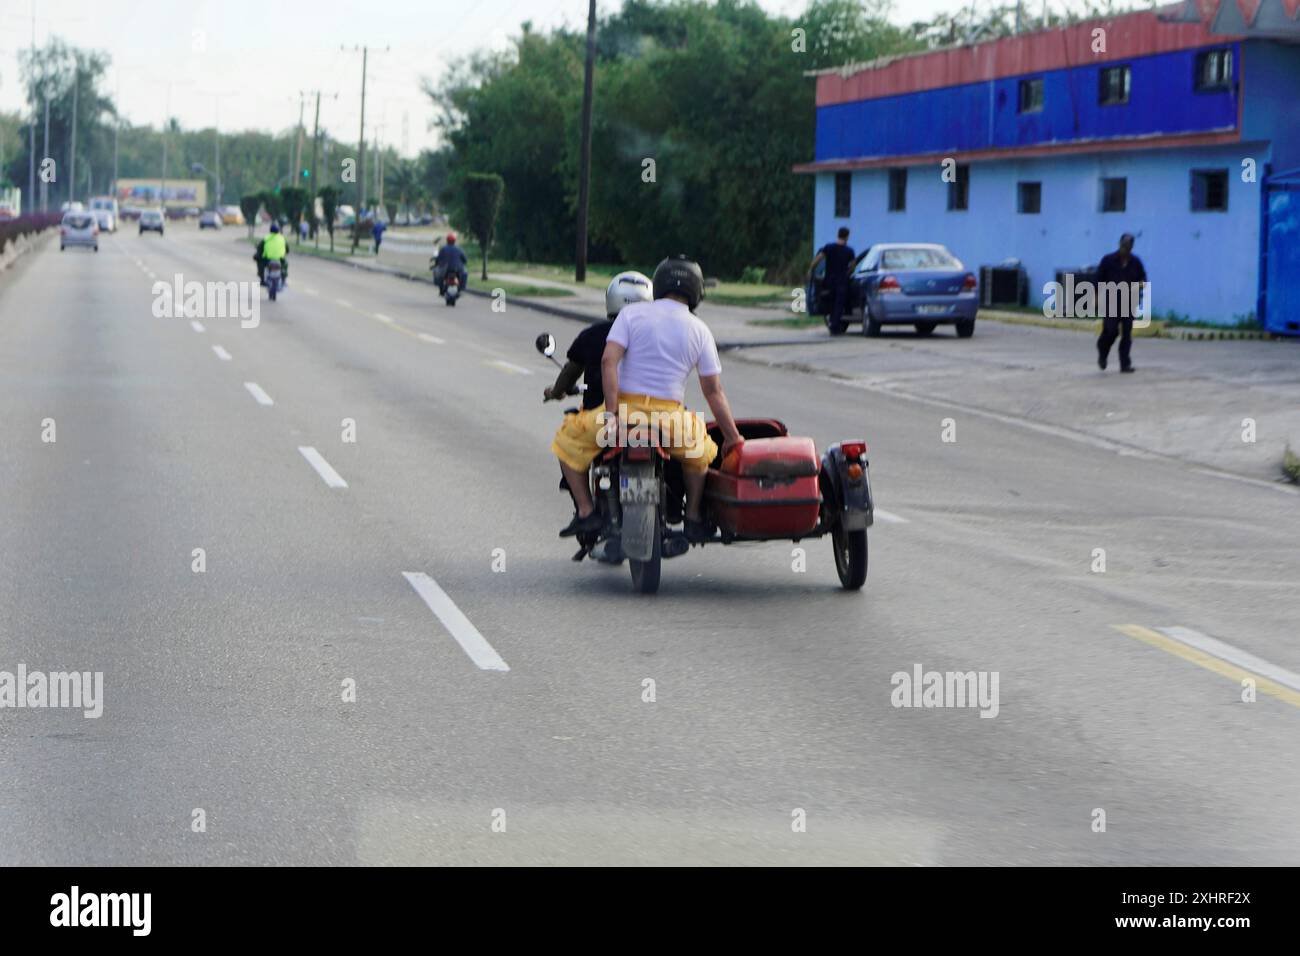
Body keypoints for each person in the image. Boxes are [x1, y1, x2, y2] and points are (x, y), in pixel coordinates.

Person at [551, 256, 743, 544]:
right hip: (670, 420)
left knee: (566, 442)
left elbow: (608, 362)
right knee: (699, 454)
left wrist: (613, 415)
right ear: (697, 291)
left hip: (626, 414)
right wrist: (732, 437)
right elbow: (713, 391)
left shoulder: (631, 316)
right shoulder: (699, 330)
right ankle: (692, 517)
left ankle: (587, 511)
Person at [1095, 233, 1147, 373]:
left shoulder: (1136, 262)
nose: (1126, 249)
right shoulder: (1108, 260)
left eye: (1129, 246)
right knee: (1111, 331)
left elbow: (1143, 279)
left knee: (1126, 334)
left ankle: (1125, 364)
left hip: (1129, 303)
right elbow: (1099, 280)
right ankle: (1102, 351)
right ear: (1119, 244)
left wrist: (1140, 285)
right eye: (1124, 245)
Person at [808, 226, 860, 330]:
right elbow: (853, 266)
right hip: (842, 281)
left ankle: (831, 322)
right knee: (839, 304)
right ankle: (834, 325)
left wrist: (811, 269)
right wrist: (848, 273)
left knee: (830, 302)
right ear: (847, 237)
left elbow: (818, 258)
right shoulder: (849, 251)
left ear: (838, 235)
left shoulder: (828, 247)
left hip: (829, 281)